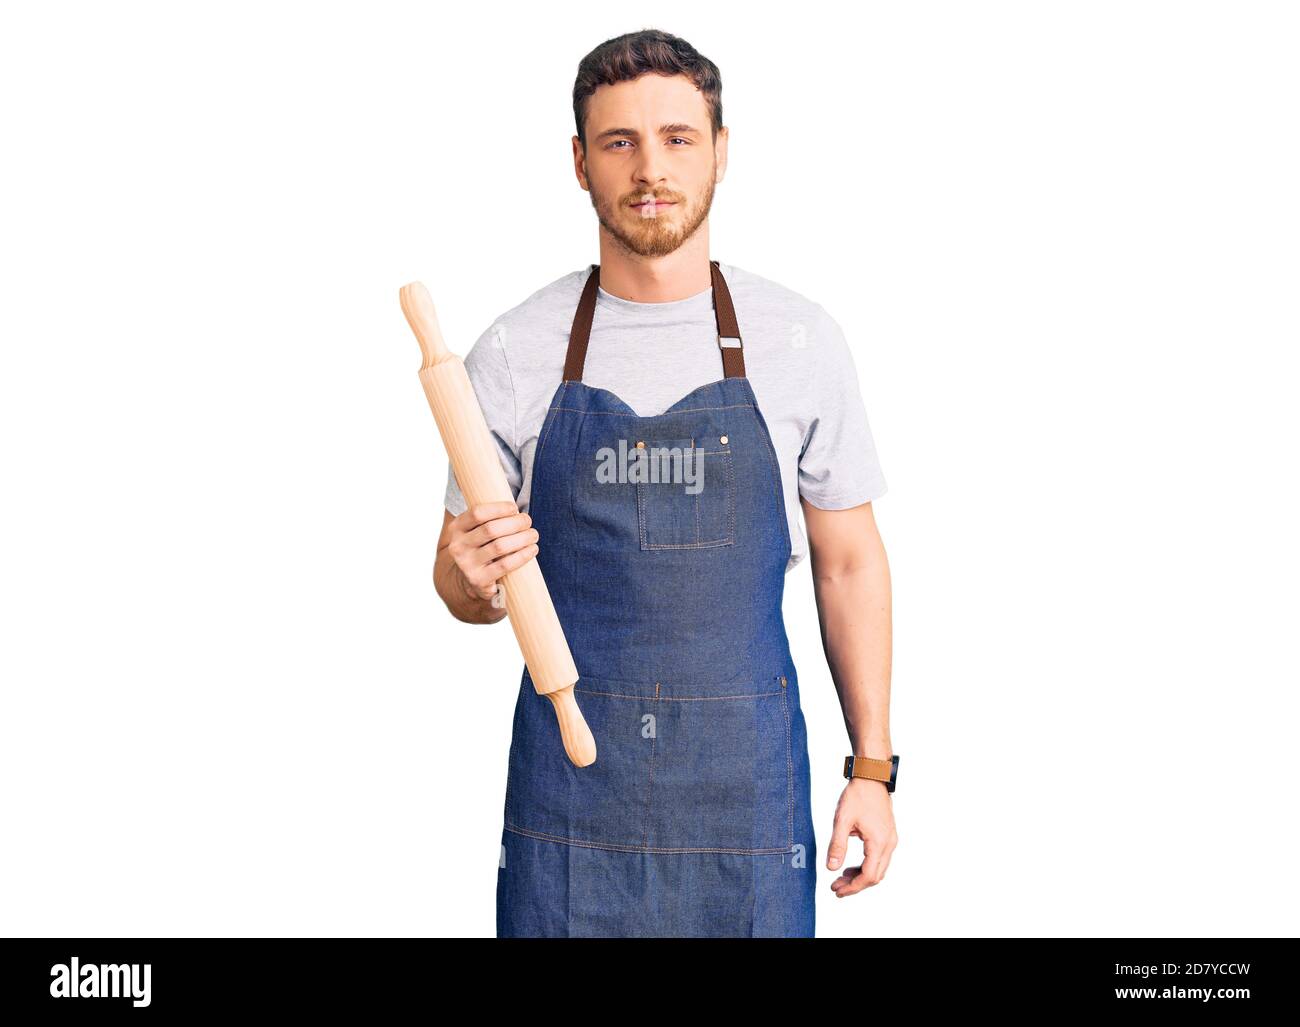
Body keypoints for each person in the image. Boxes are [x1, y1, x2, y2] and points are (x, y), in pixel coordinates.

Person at [433, 28, 897, 938]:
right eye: (620, 142)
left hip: (747, 810)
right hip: (570, 809)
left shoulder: (800, 341)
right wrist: (470, 573)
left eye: (679, 138)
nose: (651, 169)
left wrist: (872, 770)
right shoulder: (512, 354)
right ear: (579, 163)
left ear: (721, 150)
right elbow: (460, 590)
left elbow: (850, 565)